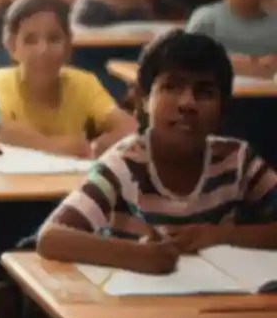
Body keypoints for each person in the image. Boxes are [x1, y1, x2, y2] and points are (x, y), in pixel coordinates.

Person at [37, 30, 277, 274]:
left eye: (205, 92)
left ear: (223, 109)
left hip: (220, 294)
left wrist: (220, 235)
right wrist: (137, 255)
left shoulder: (237, 160)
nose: (187, 103)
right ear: (143, 99)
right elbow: (50, 238)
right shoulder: (125, 164)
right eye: (171, 87)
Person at [0, 0, 137, 158]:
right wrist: (55, 146)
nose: (43, 50)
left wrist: (98, 146)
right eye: (30, 40)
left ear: (69, 45)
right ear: (12, 46)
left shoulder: (82, 83)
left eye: (54, 39)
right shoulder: (1, 82)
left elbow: (129, 127)